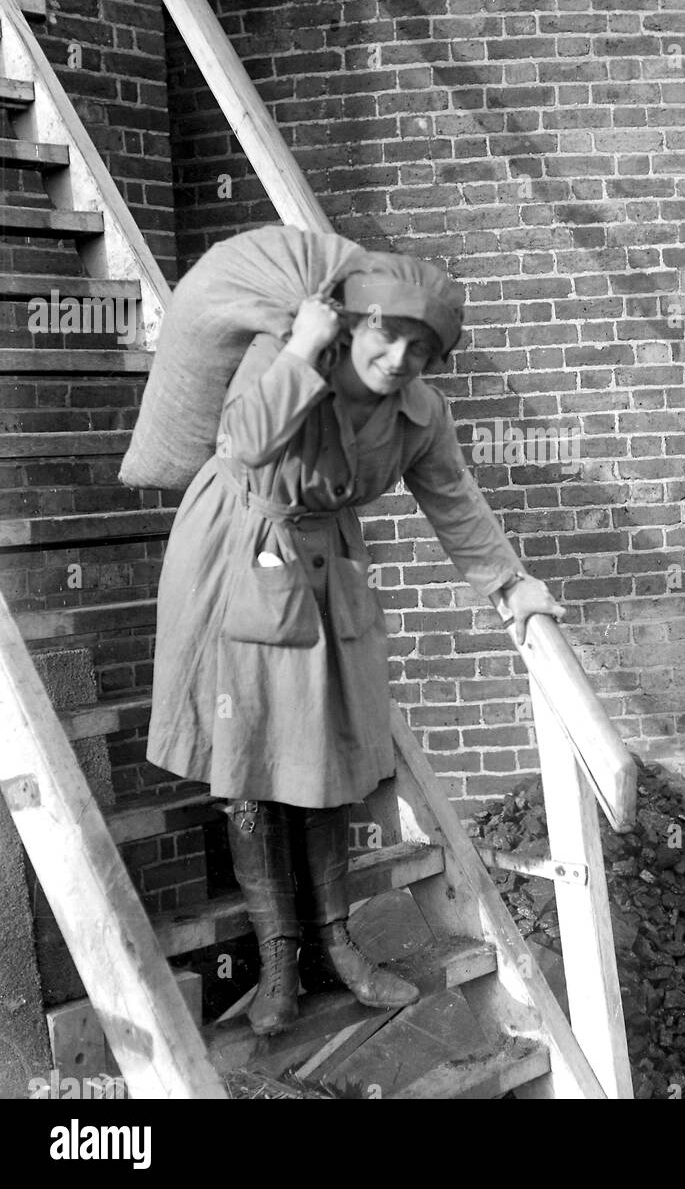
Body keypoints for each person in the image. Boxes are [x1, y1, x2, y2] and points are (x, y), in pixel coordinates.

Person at [146, 253, 565, 1035]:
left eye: (421, 350)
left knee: (326, 755)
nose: (398, 359)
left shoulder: (421, 414)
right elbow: (245, 444)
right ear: (354, 323)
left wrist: (510, 586)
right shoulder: (284, 353)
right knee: (246, 763)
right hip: (235, 551)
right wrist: (303, 351)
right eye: (385, 334)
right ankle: (277, 960)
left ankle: (337, 947)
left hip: (326, 563)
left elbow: (454, 500)